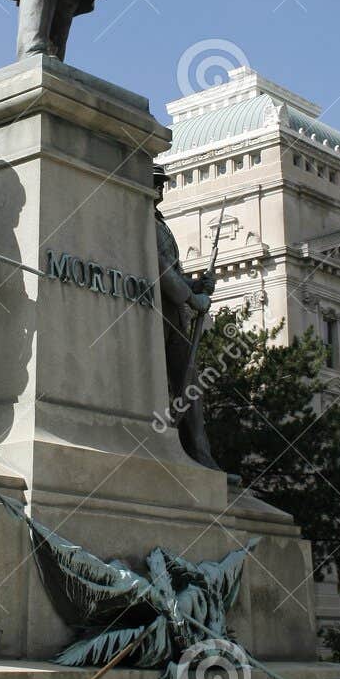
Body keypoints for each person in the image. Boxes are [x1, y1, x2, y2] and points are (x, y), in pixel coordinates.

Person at [154, 168, 218, 469]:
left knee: (190, 385)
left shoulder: (158, 223)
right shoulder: (143, 219)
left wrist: (197, 285)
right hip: (159, 314)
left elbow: (173, 273)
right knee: (178, 385)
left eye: (162, 184)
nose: (160, 189)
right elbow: (161, 271)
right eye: (155, 183)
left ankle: (199, 454)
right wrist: (194, 298)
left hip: (174, 314)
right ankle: (193, 452)